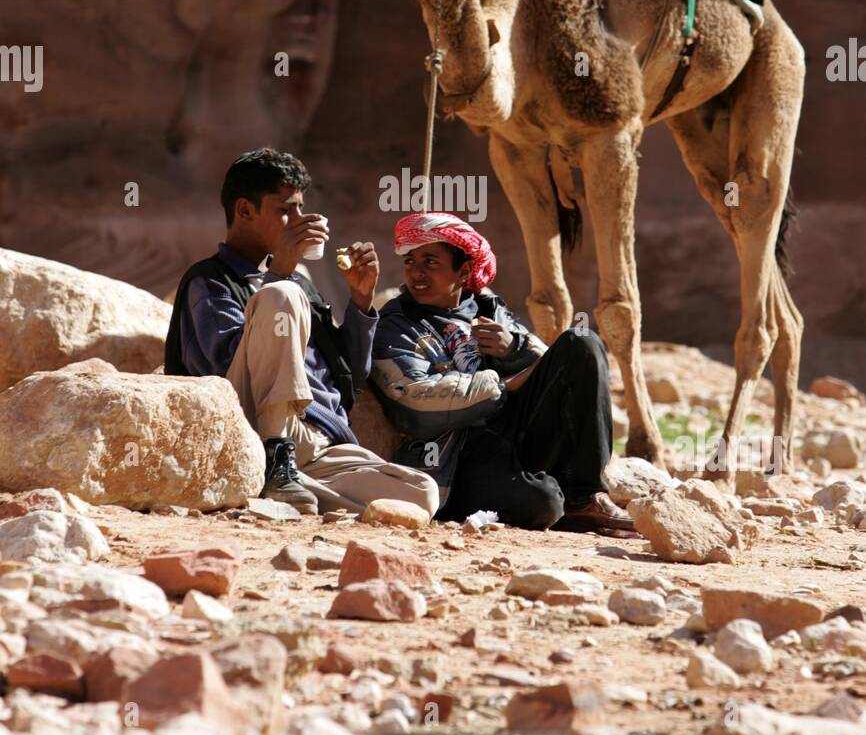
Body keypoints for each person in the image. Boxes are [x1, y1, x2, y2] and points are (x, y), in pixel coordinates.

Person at [164, 149, 439, 519]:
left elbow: (349, 379)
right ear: (245, 211)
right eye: (285, 209)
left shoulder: (300, 284)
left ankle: (276, 487)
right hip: (252, 424)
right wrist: (277, 277)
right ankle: (273, 462)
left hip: (318, 441)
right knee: (281, 295)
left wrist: (360, 299)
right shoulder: (212, 281)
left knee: (421, 492)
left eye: (301, 208)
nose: (299, 219)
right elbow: (227, 364)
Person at [370, 211, 636, 535]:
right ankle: (559, 500)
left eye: (430, 262)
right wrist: (502, 385)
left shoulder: (487, 308)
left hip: (515, 436)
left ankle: (584, 495)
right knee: (543, 503)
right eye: (411, 261)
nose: (416, 273)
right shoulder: (396, 324)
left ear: (464, 269)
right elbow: (414, 401)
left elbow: (547, 364)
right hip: (458, 456)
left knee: (581, 342)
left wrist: (514, 349)